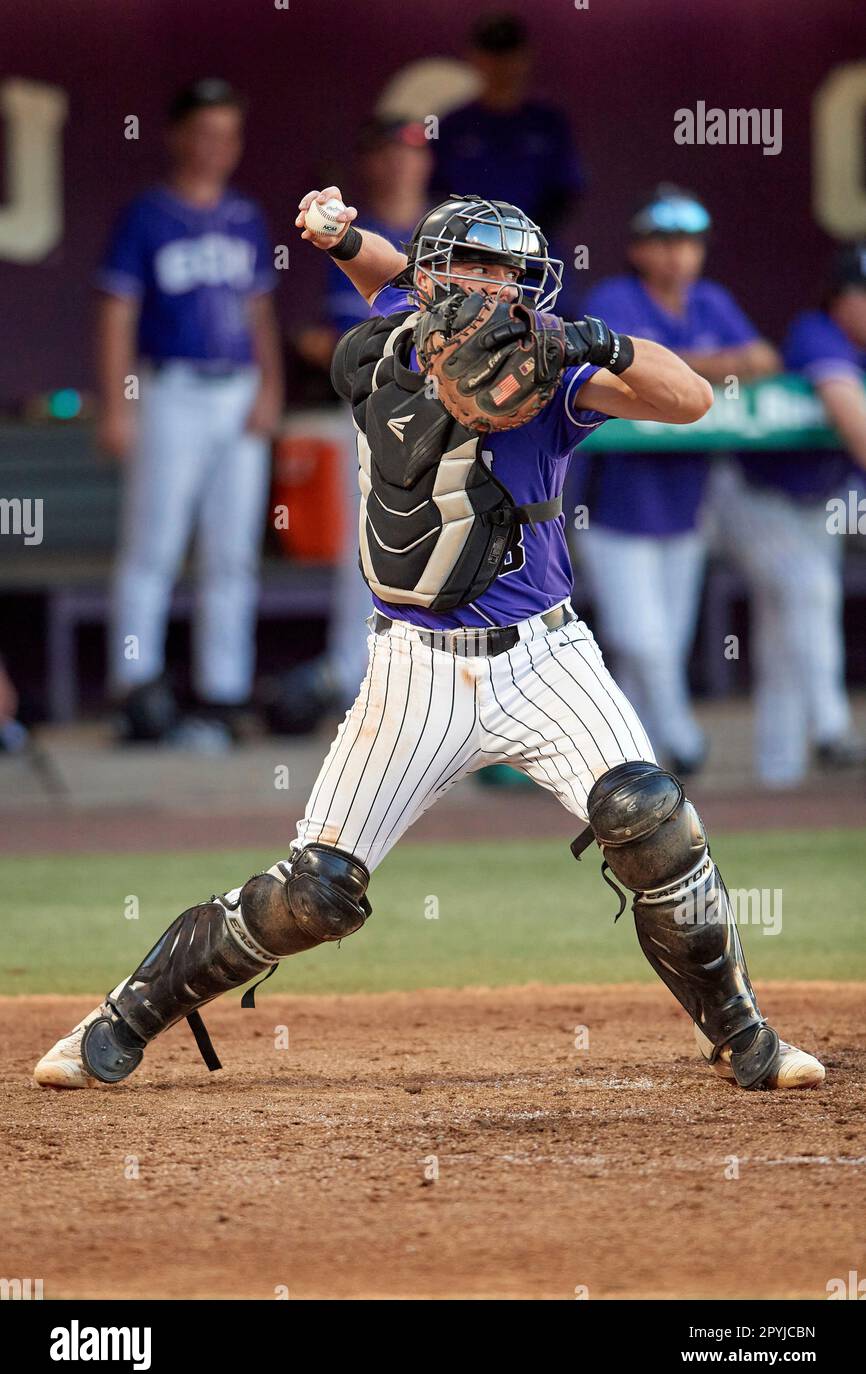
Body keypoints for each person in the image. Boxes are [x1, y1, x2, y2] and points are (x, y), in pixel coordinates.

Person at [34, 190, 822, 1094]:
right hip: (414, 670)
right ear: (430, 277)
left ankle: (742, 1034)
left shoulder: (549, 366)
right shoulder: (394, 336)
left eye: (509, 271)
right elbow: (389, 271)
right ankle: (124, 1016)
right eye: (472, 268)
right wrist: (340, 239)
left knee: (648, 816)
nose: (491, 288)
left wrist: (590, 340)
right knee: (316, 895)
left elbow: (687, 401)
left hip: (545, 657)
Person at [97, 79, 284, 749]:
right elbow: (117, 312)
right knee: (153, 548)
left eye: (228, 135)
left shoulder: (246, 217)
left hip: (236, 389)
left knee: (232, 553)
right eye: (204, 132)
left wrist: (271, 386)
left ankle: (222, 692)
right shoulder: (146, 215)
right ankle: (135, 689)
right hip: (170, 388)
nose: (216, 148)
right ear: (177, 135)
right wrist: (119, 405)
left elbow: (260, 310)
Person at [575, 186, 780, 774]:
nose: (676, 256)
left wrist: (685, 365)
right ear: (639, 248)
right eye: (663, 242)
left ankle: (631, 769)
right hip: (612, 506)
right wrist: (705, 366)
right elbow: (626, 365)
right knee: (642, 640)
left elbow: (763, 357)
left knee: (666, 639)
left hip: (685, 501)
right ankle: (680, 738)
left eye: (687, 243)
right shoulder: (616, 294)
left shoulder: (709, 299)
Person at [272, 118, 433, 733]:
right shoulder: (343, 238)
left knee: (438, 541)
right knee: (364, 550)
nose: (399, 165)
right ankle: (357, 674)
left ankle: (420, 682)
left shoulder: (440, 234)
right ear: (370, 163)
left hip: (441, 415)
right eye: (387, 154)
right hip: (363, 413)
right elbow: (310, 333)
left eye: (410, 154)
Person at [713, 243, 866, 786]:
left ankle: (778, 779)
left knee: (785, 634)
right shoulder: (816, 332)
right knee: (811, 591)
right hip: (754, 496)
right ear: (840, 300)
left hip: (818, 504)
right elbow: (854, 422)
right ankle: (830, 727)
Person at [430, 13, 584, 238]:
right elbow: (436, 192)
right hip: (468, 248)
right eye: (491, 52)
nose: (500, 64)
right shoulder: (453, 126)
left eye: (508, 52)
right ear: (474, 57)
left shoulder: (549, 123)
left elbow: (566, 192)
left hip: (536, 249)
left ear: (525, 56)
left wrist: (522, 235)